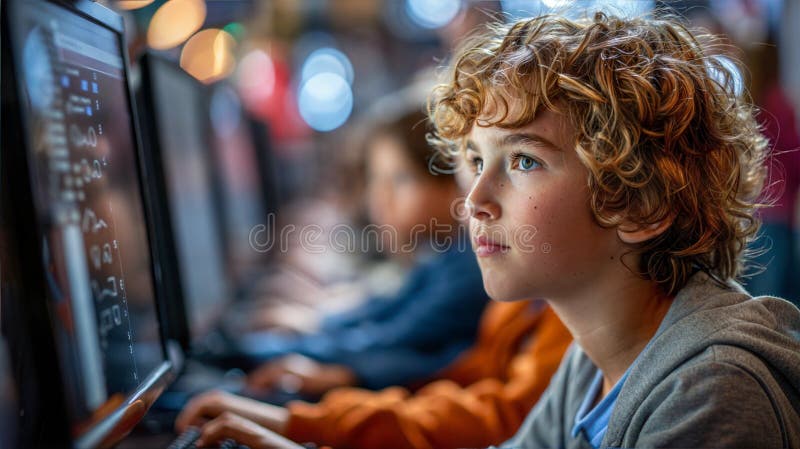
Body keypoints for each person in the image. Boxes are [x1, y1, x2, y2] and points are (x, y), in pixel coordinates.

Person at [422, 11, 799, 448]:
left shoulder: (711, 390)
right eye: (477, 161)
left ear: (642, 204)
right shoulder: (592, 361)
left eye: (525, 160)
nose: (475, 202)